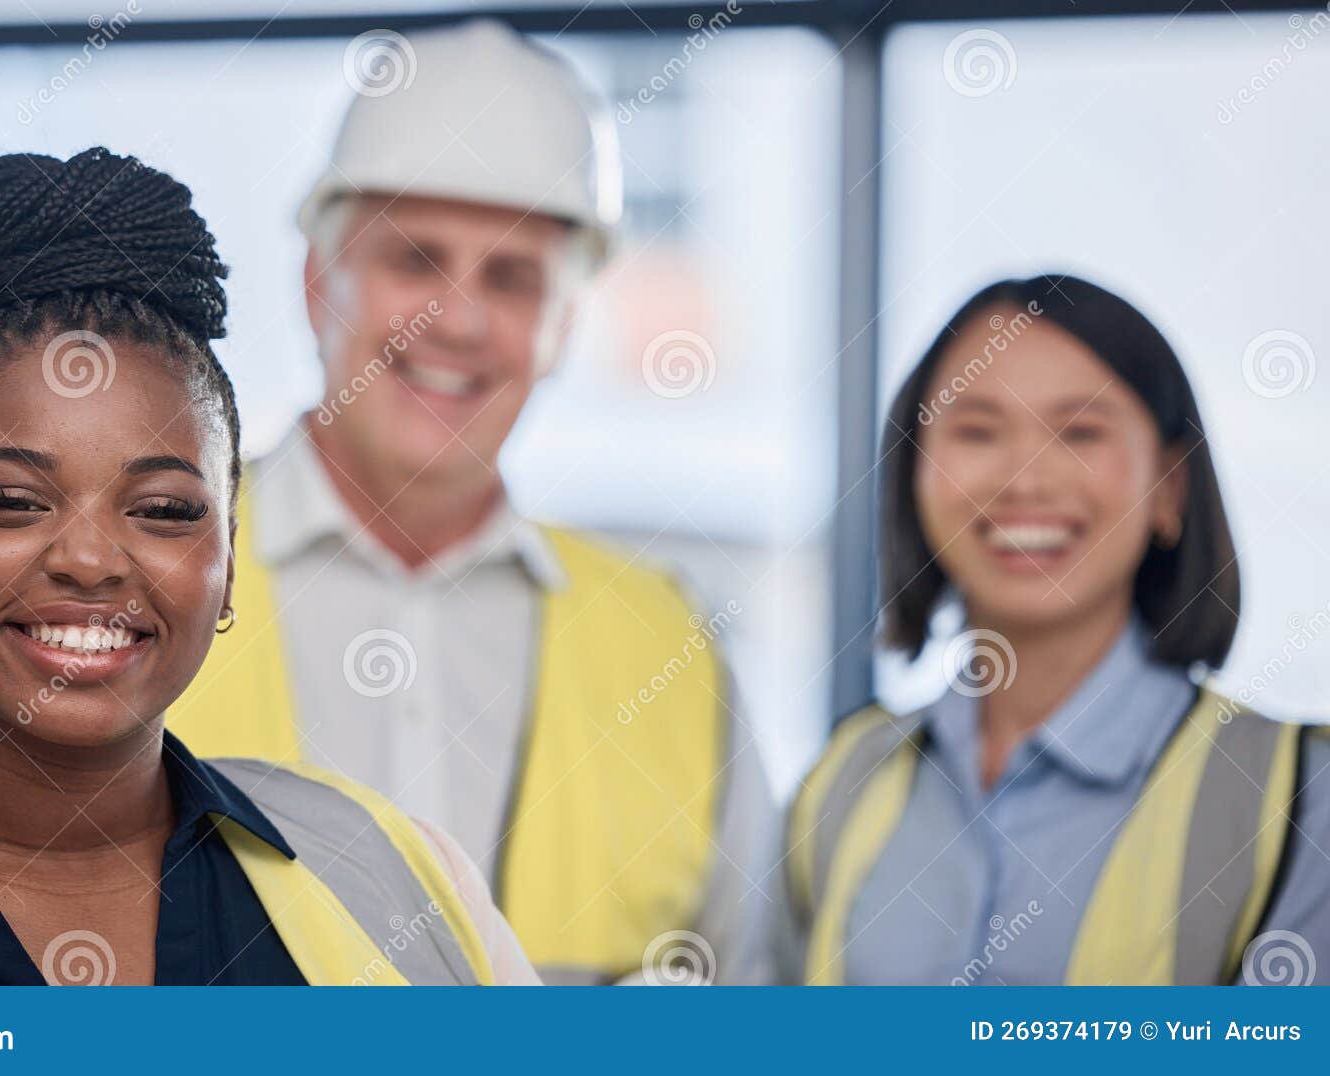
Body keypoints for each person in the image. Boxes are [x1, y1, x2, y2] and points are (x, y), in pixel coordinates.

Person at [0, 147, 535, 986]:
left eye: (162, 511)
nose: (88, 559)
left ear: (226, 560)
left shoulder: (391, 876)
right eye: (13, 500)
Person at [160, 19, 778, 985]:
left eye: (513, 277)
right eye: (416, 259)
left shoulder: (672, 648)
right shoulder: (121, 568)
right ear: (321, 281)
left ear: (564, 326)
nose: (460, 320)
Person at [778, 274, 1329, 986]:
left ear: (1170, 488)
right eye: (976, 431)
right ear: (915, 478)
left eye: (1080, 432)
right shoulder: (843, 785)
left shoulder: (1300, 804)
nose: (1025, 479)